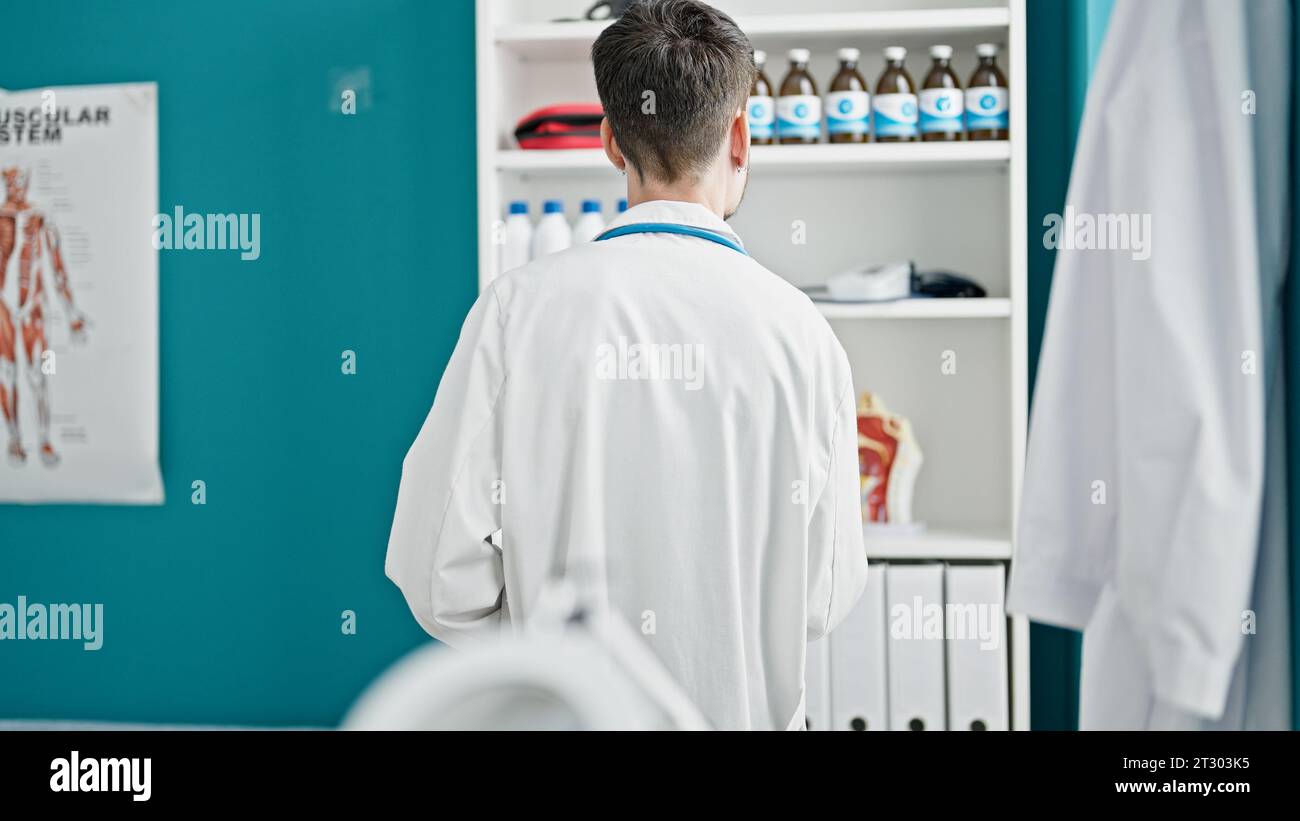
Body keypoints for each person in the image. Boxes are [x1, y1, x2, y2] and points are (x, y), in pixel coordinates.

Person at [385, 0, 866, 730]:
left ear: (611, 140)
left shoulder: (517, 312)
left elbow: (434, 578)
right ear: (740, 135)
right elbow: (825, 595)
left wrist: (550, 662)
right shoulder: (803, 335)